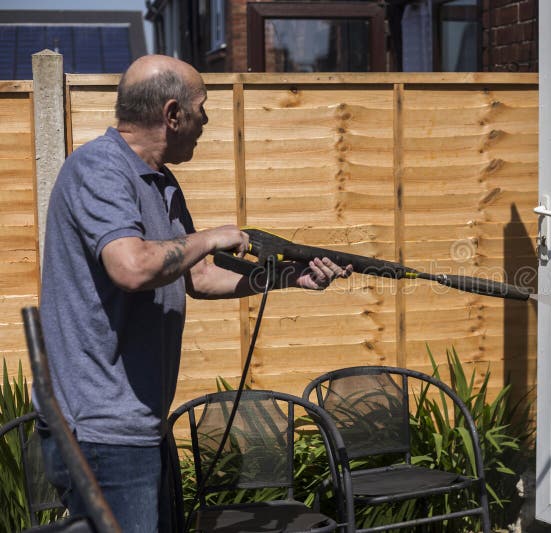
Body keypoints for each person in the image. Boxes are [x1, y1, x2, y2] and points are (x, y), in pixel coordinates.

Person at [34, 54, 352, 532]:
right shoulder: (98, 169)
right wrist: (209, 237)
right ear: (172, 114)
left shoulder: (160, 181)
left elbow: (198, 276)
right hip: (100, 428)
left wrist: (289, 278)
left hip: (139, 419)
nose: (206, 120)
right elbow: (132, 267)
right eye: (202, 108)